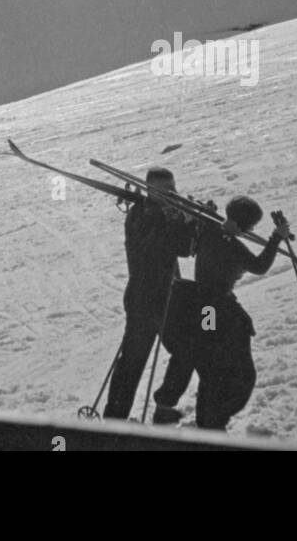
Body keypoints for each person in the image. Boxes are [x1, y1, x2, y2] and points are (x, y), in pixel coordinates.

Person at [160, 196, 290, 431]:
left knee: (207, 358)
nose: (250, 231)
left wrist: (207, 213)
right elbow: (260, 266)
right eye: (250, 227)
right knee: (213, 359)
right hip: (212, 307)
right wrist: (276, 238)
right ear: (245, 225)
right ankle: (211, 419)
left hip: (200, 304)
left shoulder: (210, 230)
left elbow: (209, 227)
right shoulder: (232, 245)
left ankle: (207, 416)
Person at [102, 167, 197, 421]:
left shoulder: (165, 213)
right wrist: (181, 221)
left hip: (168, 297)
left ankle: (164, 406)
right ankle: (114, 421)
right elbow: (167, 245)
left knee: (187, 350)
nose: (172, 193)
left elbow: (188, 249)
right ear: (149, 189)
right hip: (144, 300)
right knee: (132, 365)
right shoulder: (140, 216)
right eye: (165, 190)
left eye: (173, 188)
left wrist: (192, 221)